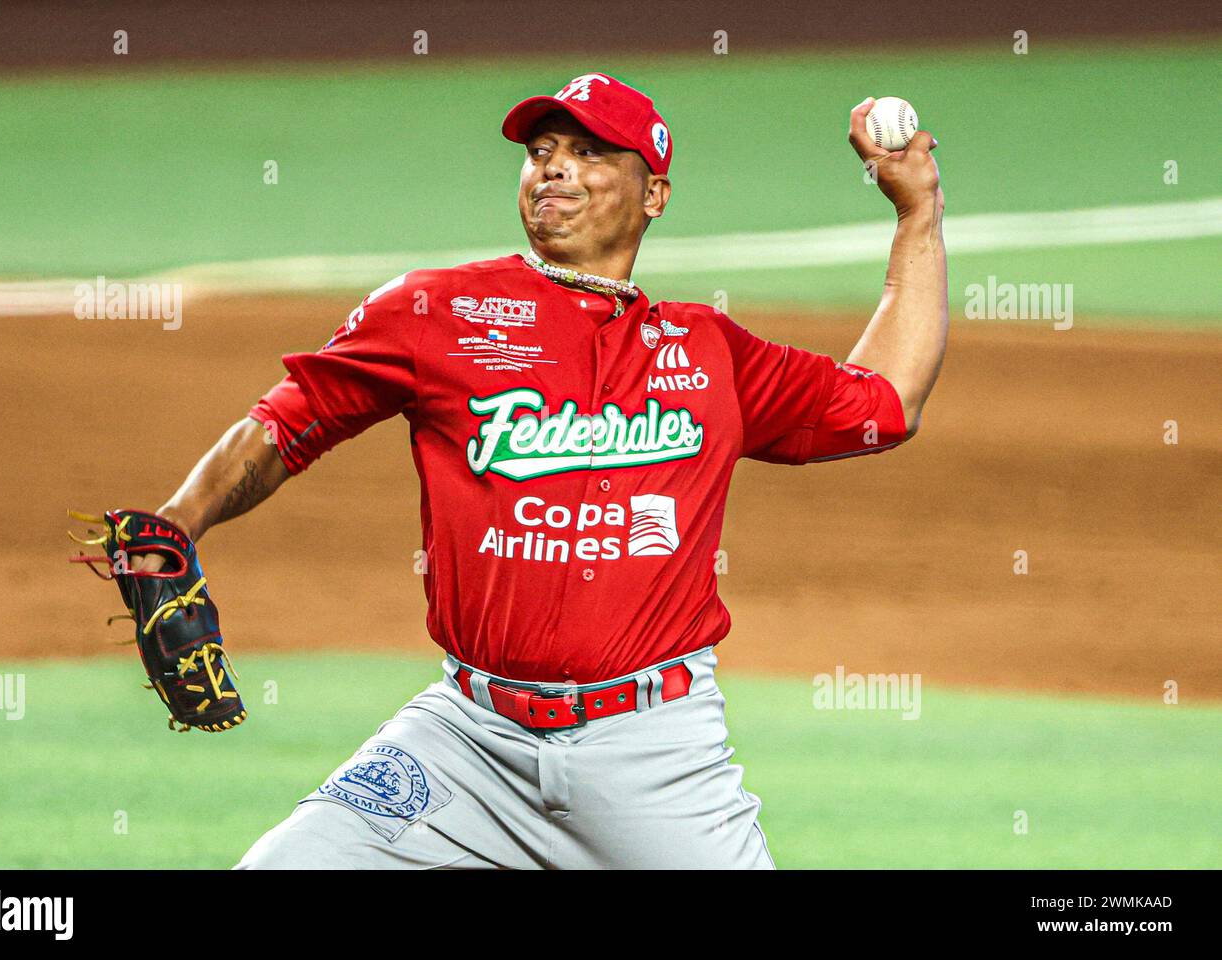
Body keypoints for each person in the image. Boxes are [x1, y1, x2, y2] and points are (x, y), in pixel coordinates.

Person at [135, 73, 947, 869]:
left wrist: (918, 213)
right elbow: (289, 420)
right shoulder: (437, 311)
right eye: (541, 150)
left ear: (654, 193)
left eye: (591, 152)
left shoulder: (709, 351)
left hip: (653, 753)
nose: (554, 166)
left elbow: (883, 404)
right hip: (467, 742)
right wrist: (177, 524)